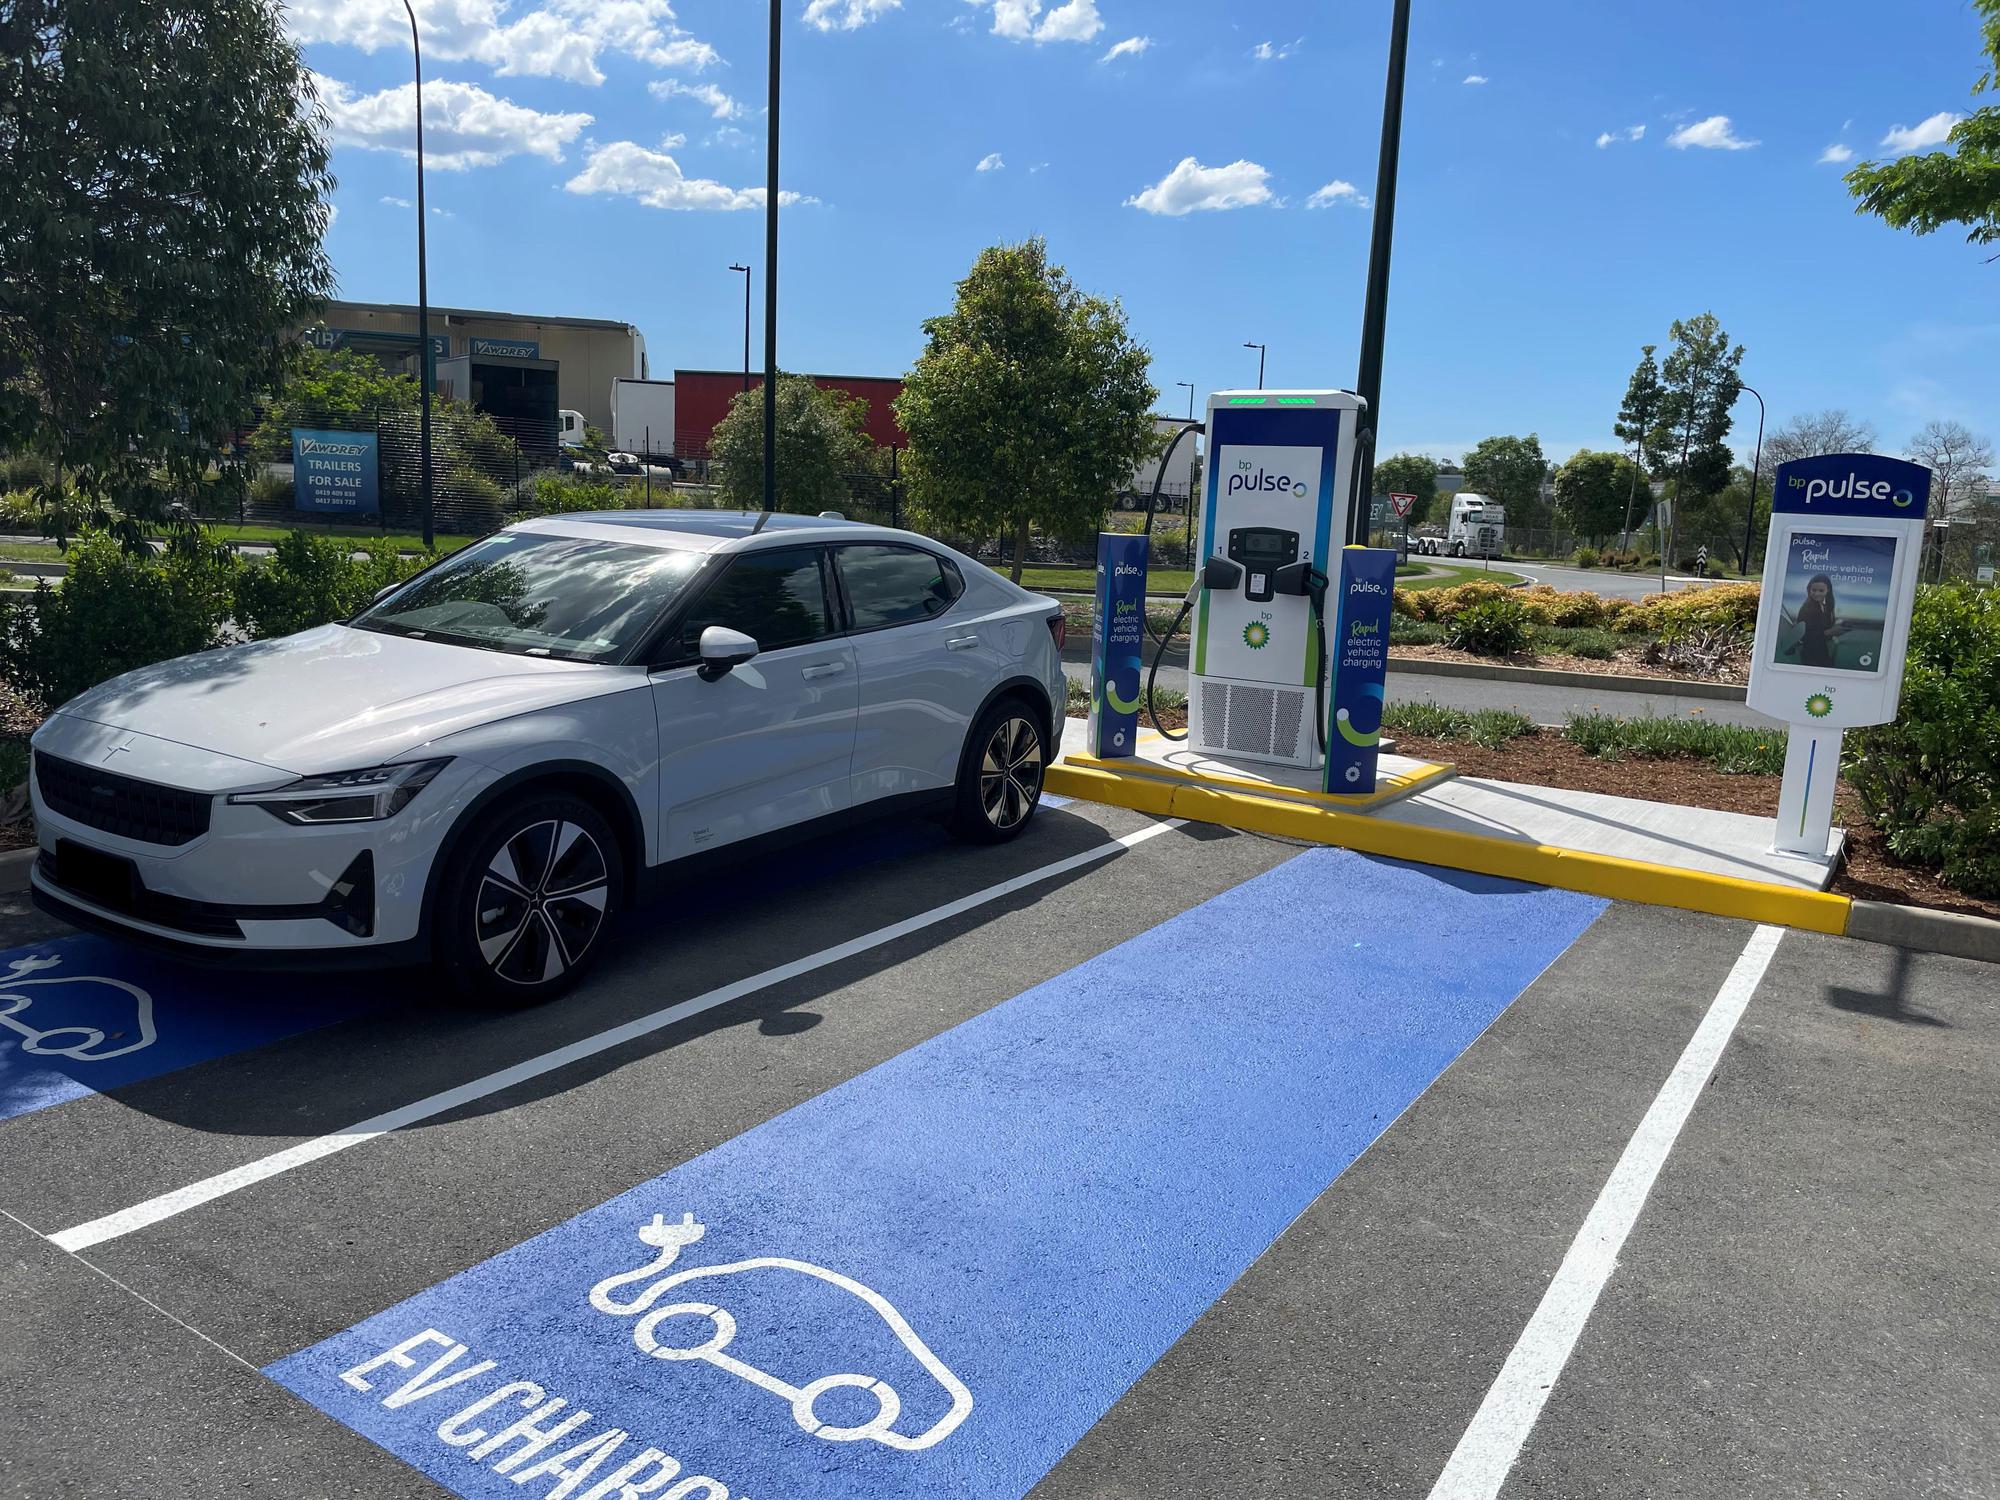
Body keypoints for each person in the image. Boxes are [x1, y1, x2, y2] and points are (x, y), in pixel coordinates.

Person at [1785, 574, 1847, 668]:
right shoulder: (1808, 608)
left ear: (1828, 590)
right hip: (1811, 654)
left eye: (1821, 591)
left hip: (1821, 650)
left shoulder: (1825, 606)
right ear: (1809, 590)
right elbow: (1805, 634)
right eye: (1814, 590)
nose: (1817, 593)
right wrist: (1829, 632)